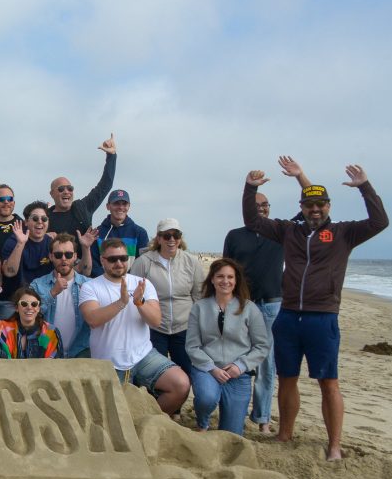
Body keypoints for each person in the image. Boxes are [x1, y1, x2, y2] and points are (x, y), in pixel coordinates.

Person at [243, 163, 388, 460]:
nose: (315, 209)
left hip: (323, 317)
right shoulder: (289, 231)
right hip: (288, 316)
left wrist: (365, 187)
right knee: (286, 378)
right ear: (302, 207)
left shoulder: (344, 233)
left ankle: (334, 445)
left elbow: (379, 222)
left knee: (328, 381)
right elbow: (253, 221)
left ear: (328, 206)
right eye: (309, 205)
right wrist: (250, 188)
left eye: (320, 204)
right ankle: (285, 434)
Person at [223, 155, 311, 434]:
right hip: (242, 305)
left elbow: (311, 204)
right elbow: (225, 273)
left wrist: (300, 176)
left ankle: (262, 418)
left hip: (273, 305)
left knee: (266, 364)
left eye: (265, 205)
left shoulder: (281, 231)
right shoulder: (235, 235)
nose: (261, 209)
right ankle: (233, 414)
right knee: (235, 359)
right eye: (257, 205)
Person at [80, 239, 190, 416]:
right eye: (112, 259)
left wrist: (139, 302)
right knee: (113, 413)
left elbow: (155, 321)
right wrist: (122, 302)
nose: (119, 263)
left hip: (143, 355)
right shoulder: (90, 287)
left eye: (123, 258)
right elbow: (93, 319)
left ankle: (148, 420)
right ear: (102, 260)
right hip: (109, 362)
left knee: (181, 384)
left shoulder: (142, 284)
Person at [185, 258, 270, 435]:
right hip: (207, 369)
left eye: (230, 277)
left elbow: (262, 346)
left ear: (236, 280)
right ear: (212, 279)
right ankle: (203, 423)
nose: (225, 281)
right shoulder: (199, 308)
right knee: (207, 398)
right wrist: (212, 368)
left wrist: (240, 366)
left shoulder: (249, 308)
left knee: (231, 434)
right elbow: (192, 346)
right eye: (220, 276)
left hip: (238, 374)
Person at [129, 218, 204, 380]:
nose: (171, 240)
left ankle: (176, 405)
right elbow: (132, 294)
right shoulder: (144, 262)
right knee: (156, 375)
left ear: (180, 238)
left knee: (186, 371)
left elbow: (199, 296)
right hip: (154, 328)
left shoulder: (191, 262)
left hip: (184, 327)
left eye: (175, 235)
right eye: (166, 236)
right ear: (159, 238)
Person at [29, 233, 95, 358]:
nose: (63, 259)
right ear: (51, 256)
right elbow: (28, 316)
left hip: (80, 352)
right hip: (47, 352)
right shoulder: (37, 285)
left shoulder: (89, 285)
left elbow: (98, 319)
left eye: (68, 254)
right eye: (58, 255)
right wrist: (53, 293)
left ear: (75, 256)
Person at [48, 133, 117, 238]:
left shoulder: (83, 207)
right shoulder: (44, 217)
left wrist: (111, 156)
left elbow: (106, 184)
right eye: (61, 189)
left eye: (70, 188)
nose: (66, 191)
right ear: (52, 194)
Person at [89, 189, 150, 278]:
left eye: (124, 204)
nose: (120, 207)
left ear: (129, 206)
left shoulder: (140, 233)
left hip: (131, 285)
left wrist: (128, 281)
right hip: (103, 284)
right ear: (108, 206)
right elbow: (94, 264)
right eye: (116, 203)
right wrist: (109, 280)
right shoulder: (97, 233)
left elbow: (143, 263)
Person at [0, 184, 23, 319]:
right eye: (1, 199)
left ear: (14, 202)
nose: (6, 202)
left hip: (20, 297)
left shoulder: (25, 225)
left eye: (9, 198)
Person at [1, 201, 55, 288]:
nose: (40, 222)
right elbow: (9, 272)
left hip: (45, 296)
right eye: (35, 218)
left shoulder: (52, 243)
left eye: (44, 219)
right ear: (26, 222)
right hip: (16, 297)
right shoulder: (14, 241)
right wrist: (20, 243)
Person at [0, 288, 61, 359]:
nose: (29, 307)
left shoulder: (51, 332)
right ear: (16, 308)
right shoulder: (2, 329)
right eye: (24, 304)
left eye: (34, 304)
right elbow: (1, 362)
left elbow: (55, 364)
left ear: (38, 308)